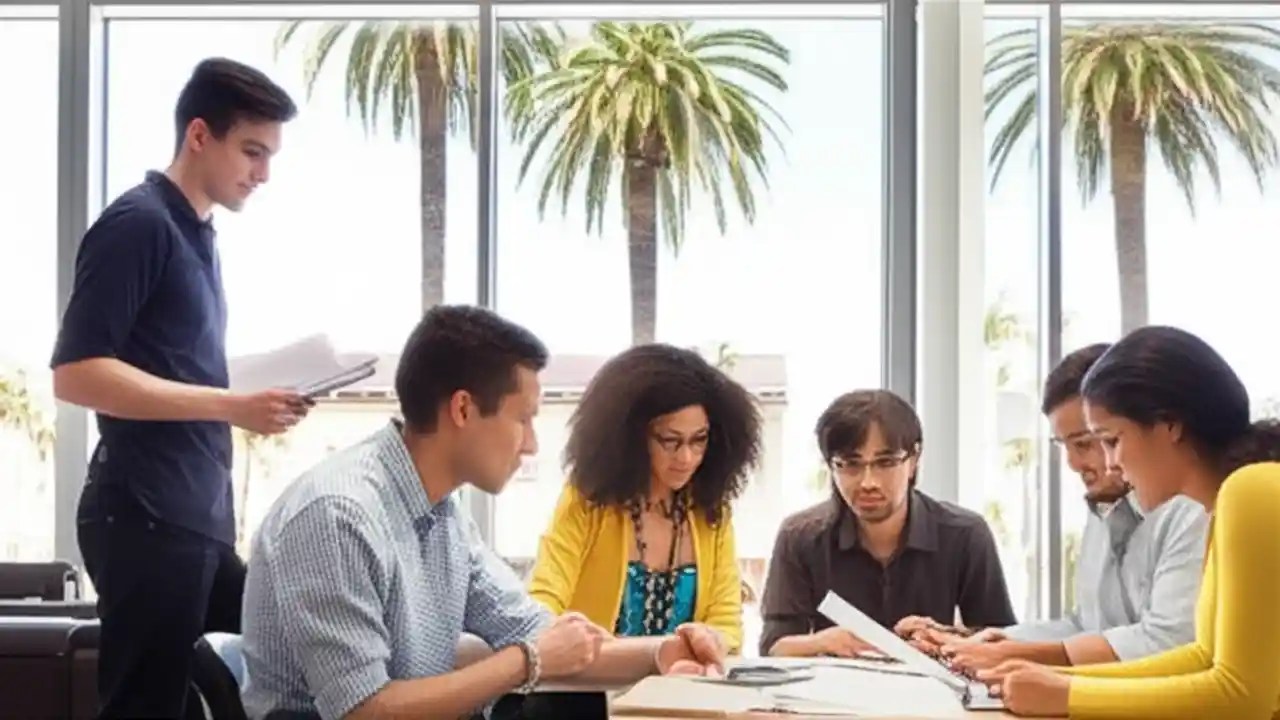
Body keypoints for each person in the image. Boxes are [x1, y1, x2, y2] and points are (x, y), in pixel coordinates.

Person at [240, 307, 728, 720]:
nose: (531, 444)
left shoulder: (444, 515)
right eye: (523, 419)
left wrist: (665, 650)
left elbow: (541, 634)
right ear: (463, 409)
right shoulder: (338, 514)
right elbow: (364, 708)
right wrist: (526, 662)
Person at [50, 58, 308, 719]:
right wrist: (231, 406)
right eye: (252, 151)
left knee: (293, 654)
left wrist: (253, 398)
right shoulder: (139, 224)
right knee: (145, 707)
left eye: (271, 155)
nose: (264, 173)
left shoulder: (197, 235)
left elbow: (171, 367)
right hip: (144, 514)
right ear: (200, 135)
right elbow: (76, 371)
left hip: (196, 521)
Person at [980, 326, 1280, 718]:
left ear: (1170, 424)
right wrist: (1055, 678)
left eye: (1112, 439)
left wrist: (1067, 695)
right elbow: (1202, 658)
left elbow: (1242, 697)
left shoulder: (1252, 490)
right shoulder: (1224, 506)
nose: (1111, 464)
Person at [897, 344, 1209, 672]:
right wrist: (983, 641)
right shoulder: (1106, 509)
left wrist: (1024, 658)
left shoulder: (1195, 510)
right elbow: (1085, 626)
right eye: (1066, 446)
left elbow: (1170, 642)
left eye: (1094, 442)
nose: (1074, 464)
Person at [527, 344, 761, 653]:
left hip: (682, 691)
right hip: (586, 691)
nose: (687, 457)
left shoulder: (711, 512)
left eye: (699, 440)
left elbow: (727, 624)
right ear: (631, 437)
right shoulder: (587, 502)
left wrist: (712, 640)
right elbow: (544, 601)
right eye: (670, 440)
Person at [759, 389, 1015, 658]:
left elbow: (1001, 643)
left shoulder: (965, 534)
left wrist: (944, 638)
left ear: (913, 460)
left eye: (885, 463)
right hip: (834, 694)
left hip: (932, 694)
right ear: (830, 466)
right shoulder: (799, 536)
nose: (868, 482)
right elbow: (773, 647)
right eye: (850, 464)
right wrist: (825, 642)